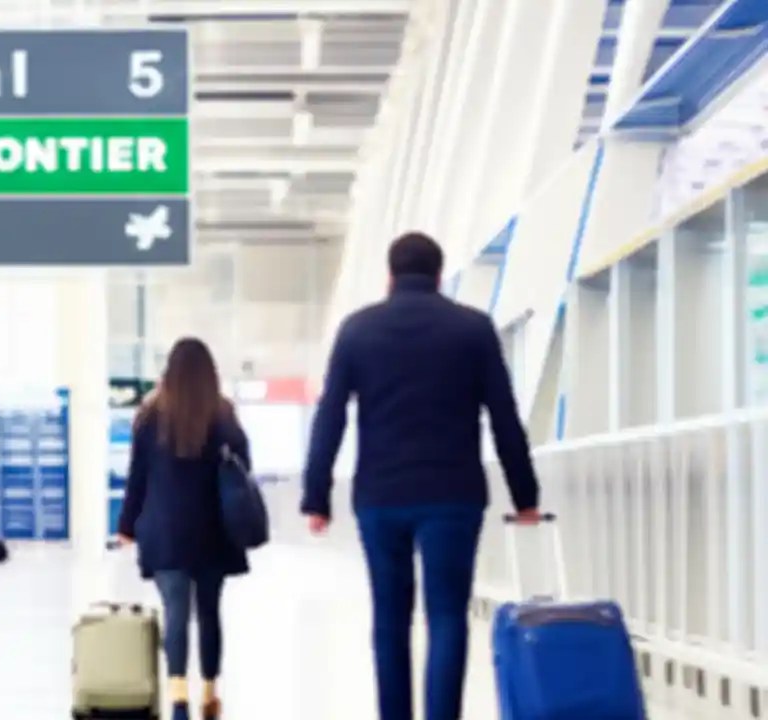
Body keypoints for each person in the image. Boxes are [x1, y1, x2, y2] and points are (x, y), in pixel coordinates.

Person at [301, 232, 542, 720]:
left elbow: (331, 415)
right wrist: (525, 495)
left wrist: (317, 495)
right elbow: (503, 415)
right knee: (448, 616)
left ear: (390, 276)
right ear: (438, 275)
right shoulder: (473, 329)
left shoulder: (357, 330)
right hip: (453, 495)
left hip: (380, 496)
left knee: (389, 618)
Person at [116, 337, 251, 720]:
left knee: (175, 611)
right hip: (213, 532)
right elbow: (244, 471)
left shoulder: (150, 416)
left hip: (166, 532)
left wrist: (126, 526)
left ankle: (178, 697)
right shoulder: (224, 415)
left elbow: (137, 478)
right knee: (209, 611)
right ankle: (209, 694)